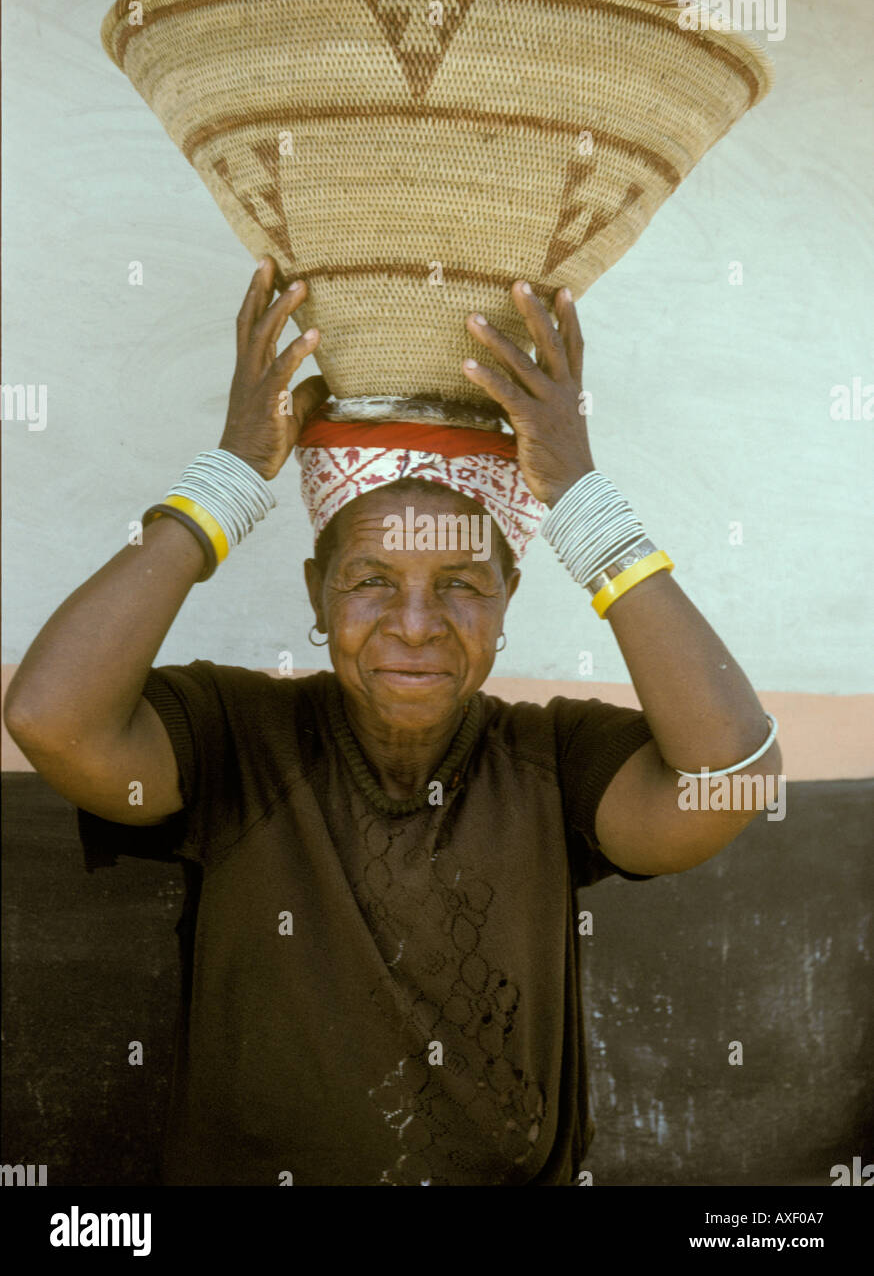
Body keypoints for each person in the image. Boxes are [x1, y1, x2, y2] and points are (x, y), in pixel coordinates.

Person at [4, 256, 782, 1186]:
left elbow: (730, 779)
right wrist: (230, 478)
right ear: (317, 596)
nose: (415, 626)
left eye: (459, 586)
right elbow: (52, 719)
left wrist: (583, 500)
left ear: (505, 607)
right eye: (372, 582)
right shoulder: (236, 737)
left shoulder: (551, 758)